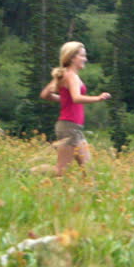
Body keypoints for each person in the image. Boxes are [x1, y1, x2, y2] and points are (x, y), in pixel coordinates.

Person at [38, 41, 111, 176]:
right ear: (72, 57)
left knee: (88, 169)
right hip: (69, 127)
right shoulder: (71, 75)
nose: (86, 59)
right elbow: (77, 98)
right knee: (60, 170)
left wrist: (63, 99)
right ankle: (25, 173)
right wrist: (98, 98)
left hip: (72, 127)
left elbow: (45, 94)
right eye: (82, 56)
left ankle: (89, 194)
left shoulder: (62, 74)